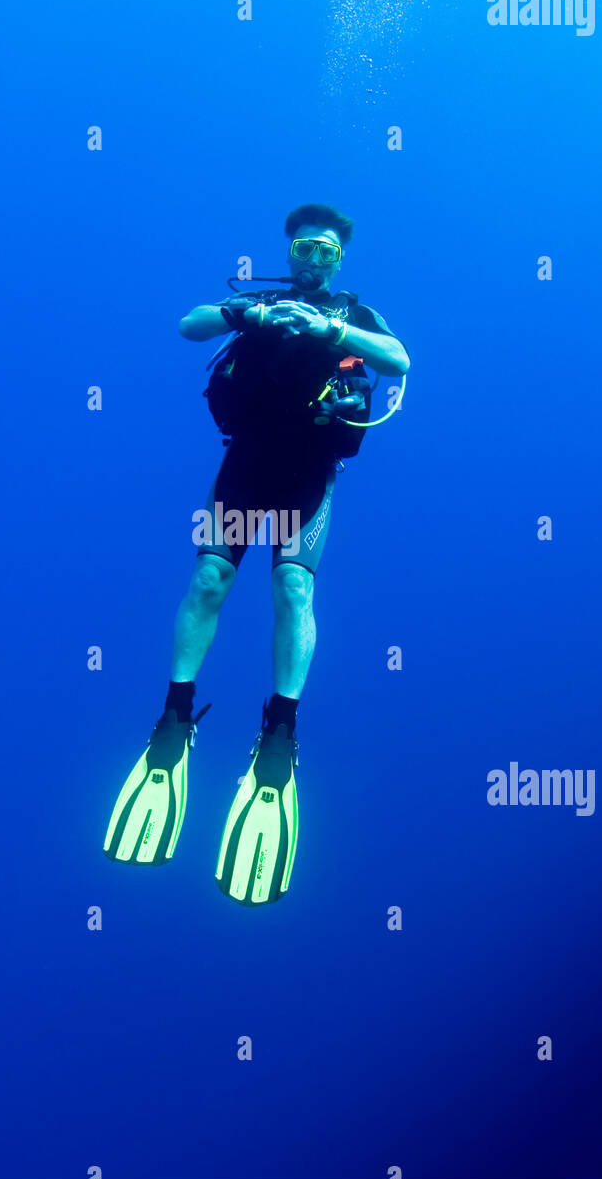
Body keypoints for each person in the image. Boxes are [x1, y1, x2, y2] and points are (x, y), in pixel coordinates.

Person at [104, 203, 410, 905]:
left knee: (293, 591)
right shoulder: (260, 301)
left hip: (308, 475)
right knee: (210, 577)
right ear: (289, 248)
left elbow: (400, 361)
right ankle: (175, 716)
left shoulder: (353, 314)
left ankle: (280, 732)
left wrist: (332, 328)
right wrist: (249, 317)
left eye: (327, 252)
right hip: (246, 464)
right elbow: (190, 324)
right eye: (306, 246)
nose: (314, 260)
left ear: (340, 262)